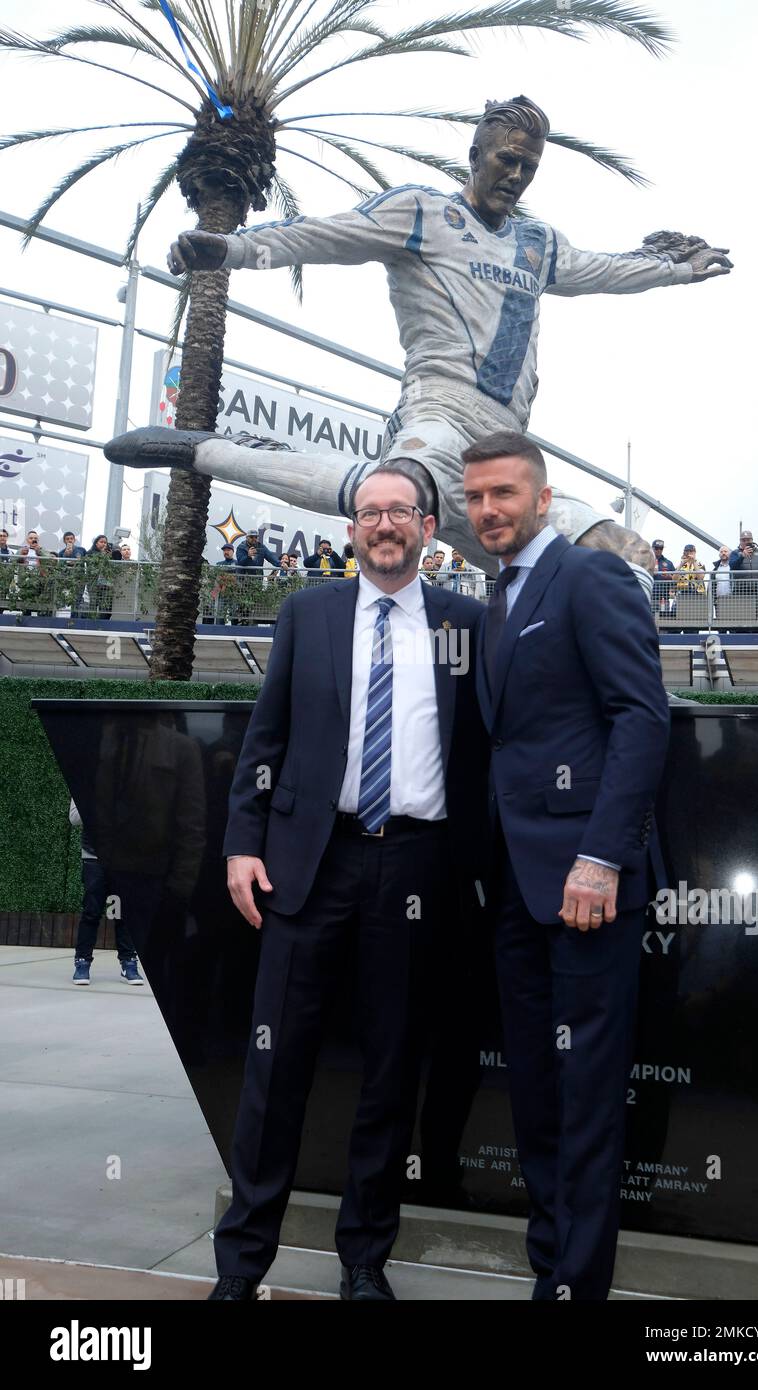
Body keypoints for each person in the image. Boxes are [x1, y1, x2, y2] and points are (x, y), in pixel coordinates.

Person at [104, 95, 732, 592]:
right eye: (505, 159)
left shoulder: (539, 242)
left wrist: (675, 267)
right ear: (475, 153)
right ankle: (208, 450)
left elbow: (606, 270)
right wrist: (234, 249)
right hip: (436, 416)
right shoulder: (423, 213)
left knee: (624, 555)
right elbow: (328, 234)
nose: (515, 174)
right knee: (393, 497)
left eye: (528, 166)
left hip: (504, 446)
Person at [209, 459, 487, 1301]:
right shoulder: (308, 614)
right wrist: (241, 841)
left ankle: (363, 1261)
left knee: (389, 1071)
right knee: (275, 1070)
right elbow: (266, 739)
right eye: (368, 513)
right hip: (307, 865)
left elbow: (493, 746)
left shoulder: (468, 624)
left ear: (427, 529)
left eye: (399, 511)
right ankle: (242, 1267)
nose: (383, 526)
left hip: (415, 868)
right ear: (352, 530)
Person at [462, 430, 670, 1301]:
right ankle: (549, 1265)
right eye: (475, 499)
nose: (487, 512)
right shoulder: (494, 598)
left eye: (503, 495)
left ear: (543, 498)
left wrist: (597, 856)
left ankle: (576, 1288)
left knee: (585, 1098)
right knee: (537, 1092)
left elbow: (640, 716)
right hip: (514, 886)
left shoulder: (587, 576)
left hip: (585, 886)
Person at [70, 797, 143, 986]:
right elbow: (74, 817)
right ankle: (82, 962)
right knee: (91, 912)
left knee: (121, 913)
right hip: (93, 859)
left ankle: (128, 963)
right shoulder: (82, 778)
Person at [651, 540, 676, 616]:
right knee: (648, 622)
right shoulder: (646, 561)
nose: (659, 550)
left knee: (664, 621)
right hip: (649, 597)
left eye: (661, 548)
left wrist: (669, 577)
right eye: (656, 548)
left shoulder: (668, 563)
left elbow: (675, 579)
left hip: (663, 597)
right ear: (652, 548)